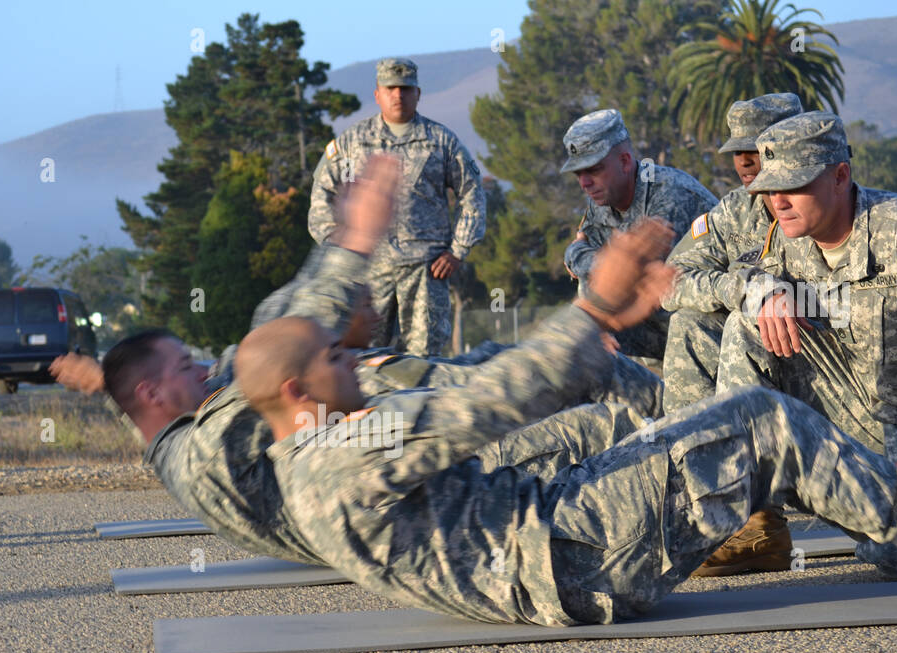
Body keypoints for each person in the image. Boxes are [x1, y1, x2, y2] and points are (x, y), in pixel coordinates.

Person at [233, 219, 897, 630]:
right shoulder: (341, 455)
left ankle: (885, 504)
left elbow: (471, 407)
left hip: (546, 538)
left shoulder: (314, 450)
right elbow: (486, 404)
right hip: (571, 561)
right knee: (763, 419)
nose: (351, 361)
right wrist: (592, 308)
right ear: (301, 388)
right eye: (336, 356)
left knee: (654, 423)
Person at [54, 157, 657, 564]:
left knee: (557, 373)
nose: (201, 370)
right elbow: (285, 341)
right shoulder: (205, 453)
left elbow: (260, 353)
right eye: (184, 367)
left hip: (418, 425)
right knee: (598, 421)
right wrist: (355, 241)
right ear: (155, 398)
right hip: (434, 473)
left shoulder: (196, 421)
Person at [715, 111, 897, 575]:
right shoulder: (787, 241)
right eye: (769, 190)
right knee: (747, 325)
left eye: (793, 185)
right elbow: (746, 271)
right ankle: (749, 511)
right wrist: (762, 290)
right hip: (860, 422)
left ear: (840, 176)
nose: (778, 202)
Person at [660, 92, 803, 576]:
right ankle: (731, 510)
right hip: (763, 362)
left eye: (755, 147)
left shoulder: (820, 201)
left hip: (823, 362)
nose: (743, 160)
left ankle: (759, 516)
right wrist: (741, 285)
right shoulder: (733, 212)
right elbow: (670, 282)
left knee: (892, 553)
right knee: (692, 323)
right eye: (736, 151)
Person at [308, 57, 486, 357]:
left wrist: (458, 250)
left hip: (426, 271)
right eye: (390, 88)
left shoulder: (442, 142)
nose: (398, 95)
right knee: (362, 358)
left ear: (418, 94)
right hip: (368, 274)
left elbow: (473, 193)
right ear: (377, 94)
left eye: (406, 88)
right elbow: (322, 196)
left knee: (424, 362)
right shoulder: (353, 143)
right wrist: (341, 253)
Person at [561, 108, 717, 360]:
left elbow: (632, 279)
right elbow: (597, 272)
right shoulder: (601, 202)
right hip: (654, 326)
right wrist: (579, 255)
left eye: (593, 170)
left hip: (703, 327)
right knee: (582, 337)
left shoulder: (669, 195)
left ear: (624, 161)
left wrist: (579, 254)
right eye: (578, 173)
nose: (584, 183)